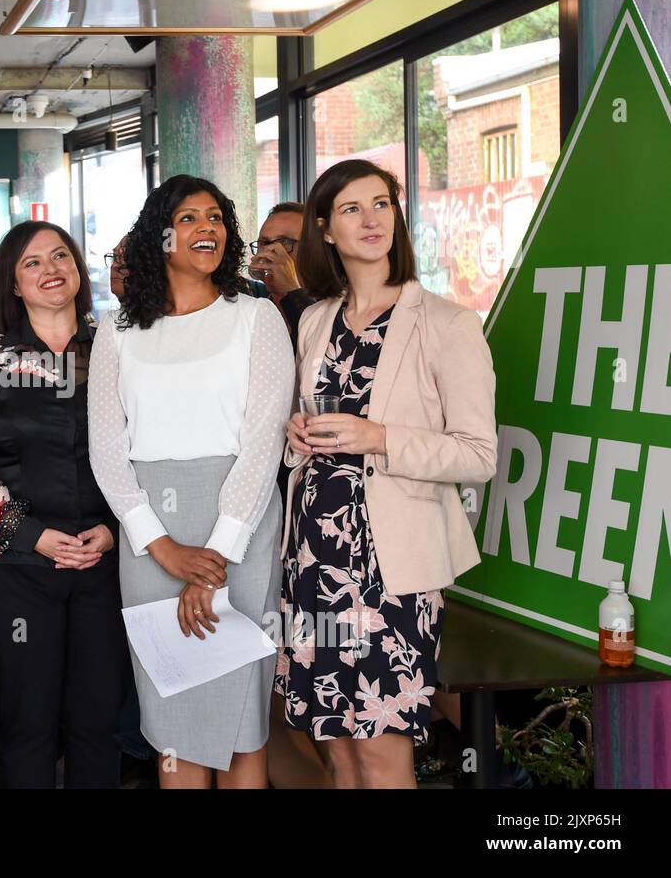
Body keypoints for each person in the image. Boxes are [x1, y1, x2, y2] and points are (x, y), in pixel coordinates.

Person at [277, 159, 497, 788]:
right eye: (351, 208)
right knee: (336, 745)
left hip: (391, 567)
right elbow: (306, 427)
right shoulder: (316, 319)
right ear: (324, 229)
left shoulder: (447, 324)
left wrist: (380, 439)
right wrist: (296, 437)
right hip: (314, 558)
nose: (371, 219)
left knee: (380, 747)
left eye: (381, 204)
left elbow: (479, 455)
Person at [89, 174, 294, 789]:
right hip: (150, 539)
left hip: (242, 531)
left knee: (242, 721)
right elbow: (106, 451)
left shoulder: (258, 317)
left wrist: (215, 557)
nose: (206, 227)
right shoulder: (117, 332)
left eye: (215, 217)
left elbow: (264, 442)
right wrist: (163, 547)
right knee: (171, 718)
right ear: (160, 235)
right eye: (187, 218)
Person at [0, 221, 126, 789]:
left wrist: (111, 529)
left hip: (105, 562)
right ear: (14, 284)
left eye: (60, 256)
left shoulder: (114, 348)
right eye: (32, 262)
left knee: (98, 723)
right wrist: (35, 537)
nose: (50, 269)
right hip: (17, 569)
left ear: (78, 268)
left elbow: (145, 453)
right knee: (28, 725)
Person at [249, 202, 315, 348]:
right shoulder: (250, 297)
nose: (270, 251)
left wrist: (291, 290)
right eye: (264, 243)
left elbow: (320, 349)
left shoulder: (337, 306)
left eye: (285, 242)